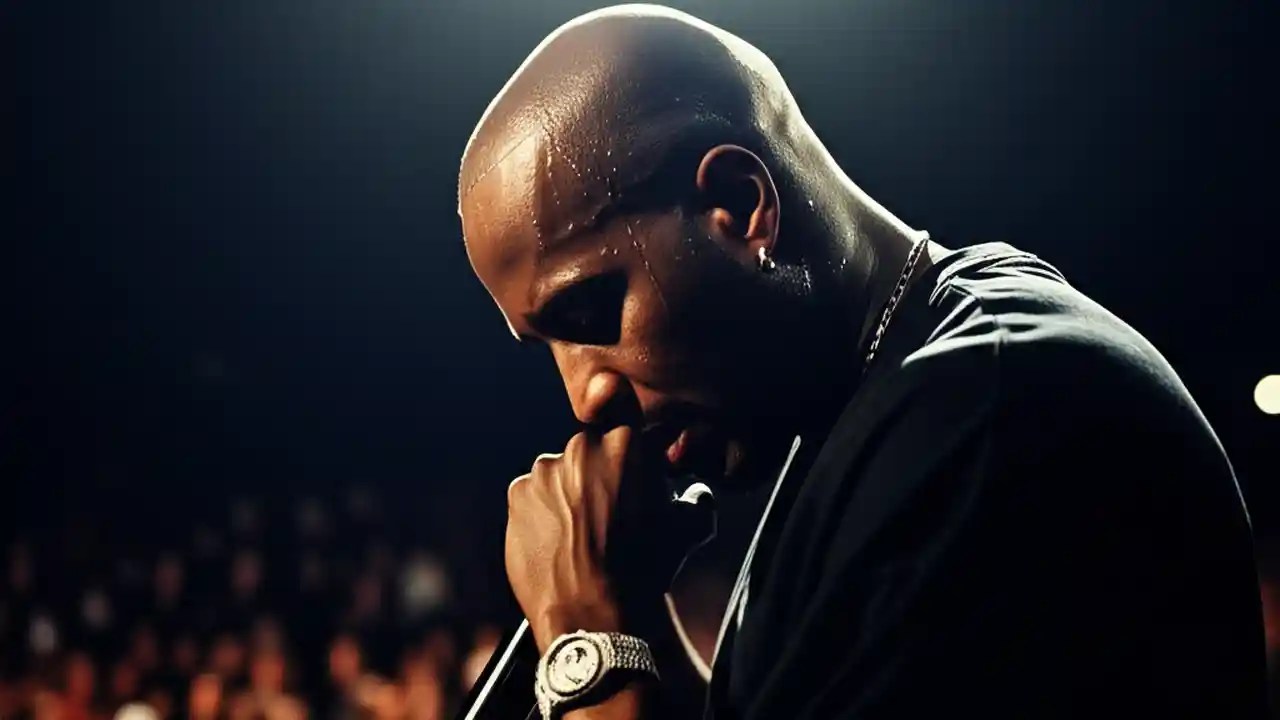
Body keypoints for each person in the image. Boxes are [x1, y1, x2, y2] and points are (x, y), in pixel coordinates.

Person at [457, 5, 1269, 718]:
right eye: (549, 346)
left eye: (590, 312)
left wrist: (590, 645)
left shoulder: (988, 417)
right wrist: (635, 613)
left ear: (739, 208)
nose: (583, 397)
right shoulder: (879, 396)